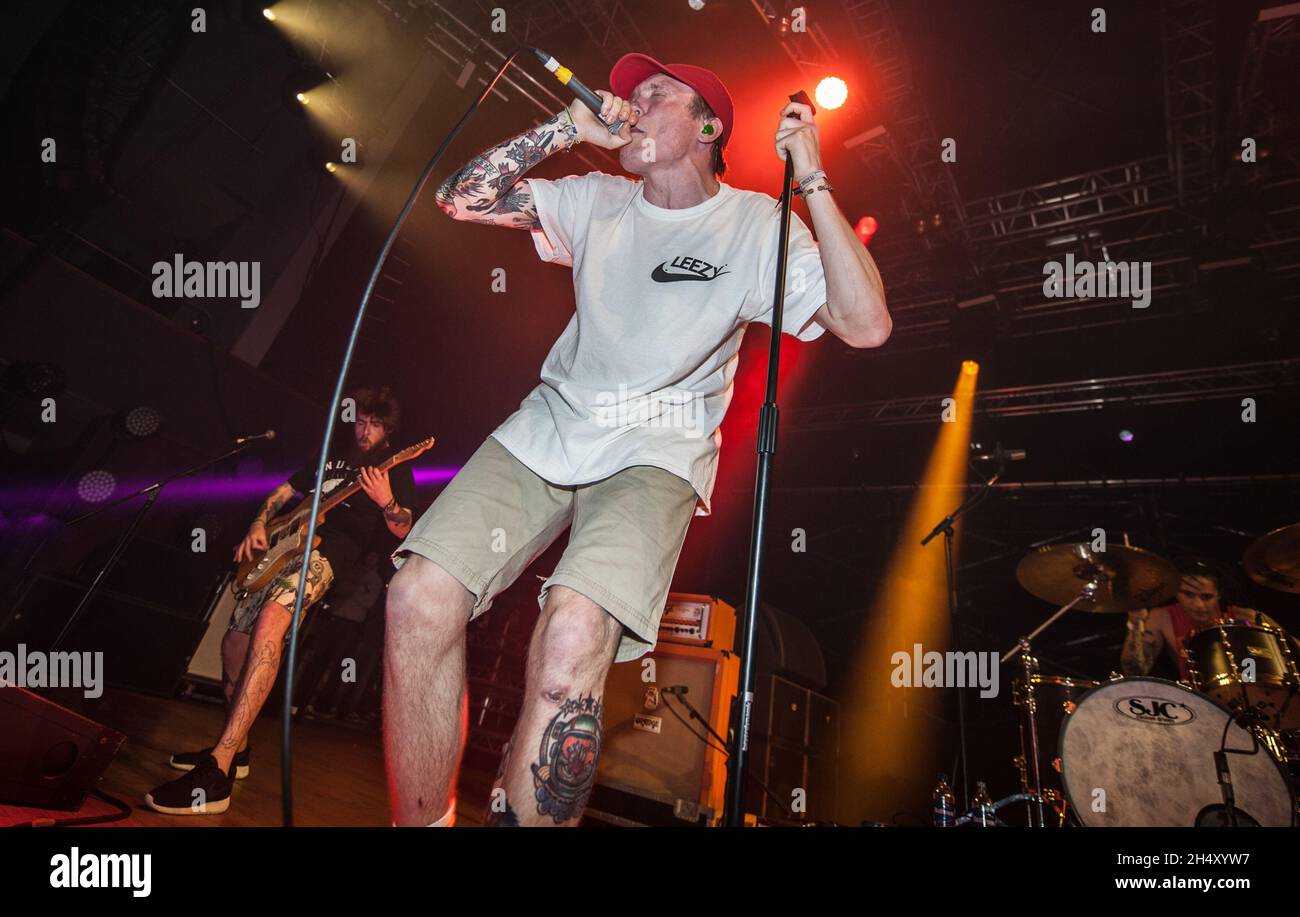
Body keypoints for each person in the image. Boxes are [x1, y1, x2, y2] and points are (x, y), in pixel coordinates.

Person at [384, 53, 890, 828]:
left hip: (657, 449)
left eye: (655, 93)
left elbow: (867, 324)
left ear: (708, 127)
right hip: (553, 422)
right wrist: (563, 127)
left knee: (575, 633)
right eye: (628, 93)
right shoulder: (596, 199)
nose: (630, 103)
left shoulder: (756, 223)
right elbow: (461, 198)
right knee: (418, 596)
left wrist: (814, 177)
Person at [145, 386, 417, 815]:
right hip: (281, 548)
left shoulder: (392, 469)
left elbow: (404, 528)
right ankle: (238, 750)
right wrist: (259, 522)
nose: (365, 430)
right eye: (361, 421)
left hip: (325, 555)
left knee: (273, 619)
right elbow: (284, 492)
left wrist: (386, 502)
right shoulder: (331, 454)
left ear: (388, 429)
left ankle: (218, 772)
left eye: (375, 424)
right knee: (234, 644)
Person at [1121, 558, 1288, 680]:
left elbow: (1294, 650)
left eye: (1207, 597)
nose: (1198, 604)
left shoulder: (1243, 616)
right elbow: (1134, 671)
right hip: (1199, 703)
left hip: (1254, 695)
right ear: (1176, 592)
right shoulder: (1162, 617)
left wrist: (1265, 627)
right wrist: (1135, 625)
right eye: (1188, 595)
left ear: (1219, 595)